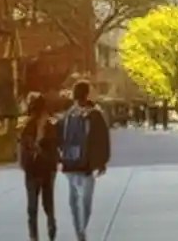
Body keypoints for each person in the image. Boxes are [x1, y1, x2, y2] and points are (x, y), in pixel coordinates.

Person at [60, 80, 110, 241]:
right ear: (87, 94)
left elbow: (60, 136)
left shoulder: (68, 114)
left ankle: (79, 231)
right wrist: (102, 161)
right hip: (86, 164)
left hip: (70, 162)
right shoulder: (95, 114)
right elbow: (103, 139)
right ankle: (81, 229)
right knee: (85, 201)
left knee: (74, 200)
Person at [19, 92, 59, 241]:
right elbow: (23, 150)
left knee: (47, 204)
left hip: (47, 170)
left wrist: (43, 154)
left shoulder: (51, 127)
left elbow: (54, 149)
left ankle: (51, 228)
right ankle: (34, 236)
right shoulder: (27, 127)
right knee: (32, 207)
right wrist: (27, 162)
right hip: (32, 171)